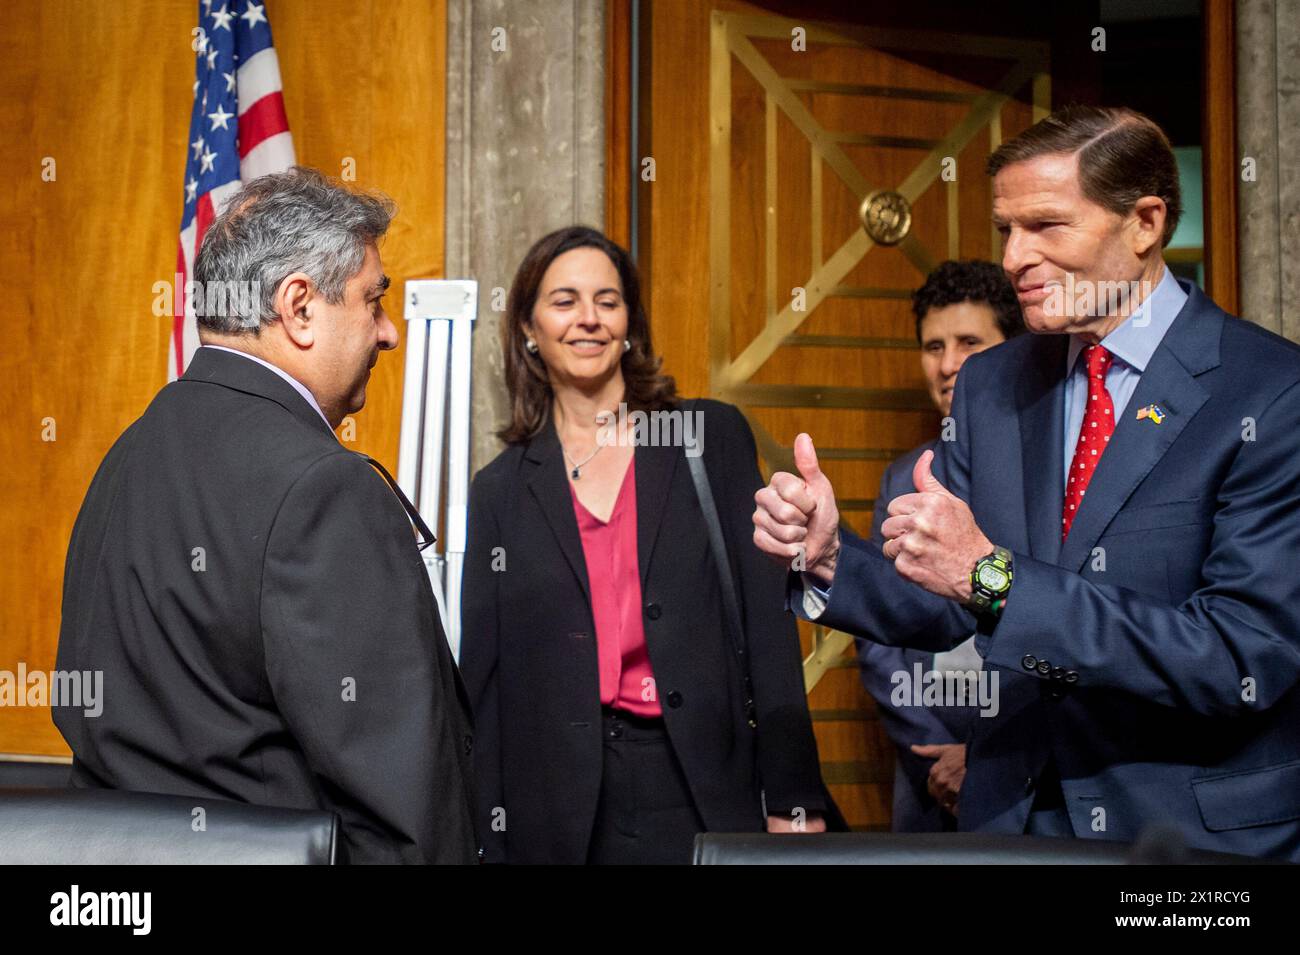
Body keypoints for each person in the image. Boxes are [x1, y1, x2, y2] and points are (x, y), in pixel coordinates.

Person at [754, 106, 1300, 859]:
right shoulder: (993, 383)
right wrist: (828, 558)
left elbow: (1241, 654)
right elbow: (943, 598)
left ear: (1144, 222)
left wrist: (994, 581)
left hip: (1185, 837)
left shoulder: (1270, 391)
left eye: (1045, 226)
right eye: (1006, 229)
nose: (1015, 259)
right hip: (1009, 823)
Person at [54, 167, 478, 864]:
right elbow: (409, 817)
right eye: (373, 302)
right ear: (299, 306)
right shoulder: (326, 490)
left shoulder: (124, 456)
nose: (390, 332)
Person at [459, 226, 832, 864]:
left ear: (629, 323)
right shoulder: (499, 490)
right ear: (529, 327)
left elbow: (768, 631)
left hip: (699, 782)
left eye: (608, 301)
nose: (589, 319)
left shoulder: (706, 438)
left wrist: (795, 800)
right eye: (565, 301)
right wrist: (484, 840)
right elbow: (486, 689)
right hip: (556, 809)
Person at [857, 260, 1024, 832]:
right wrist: (934, 748)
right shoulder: (902, 477)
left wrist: (983, 754)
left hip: (1034, 770)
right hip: (927, 777)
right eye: (934, 346)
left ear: (1013, 347)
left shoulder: (1050, 466)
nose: (949, 363)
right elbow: (879, 634)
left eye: (970, 342)